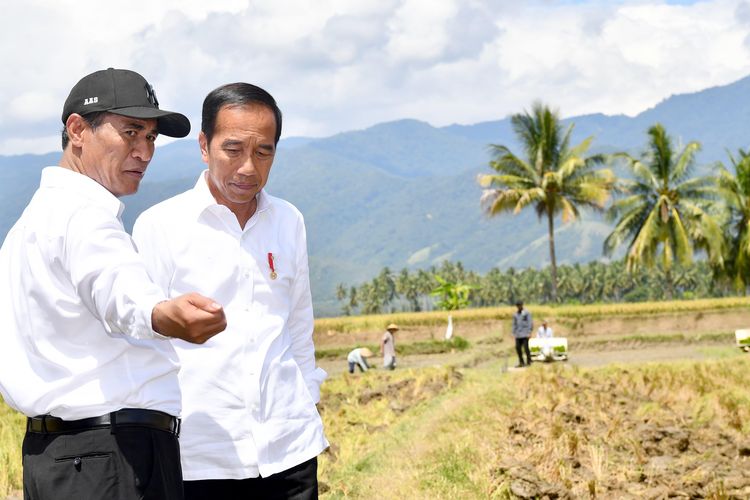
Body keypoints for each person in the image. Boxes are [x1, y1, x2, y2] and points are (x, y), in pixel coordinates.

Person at [0, 68, 228, 500]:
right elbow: (117, 289)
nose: (144, 151)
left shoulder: (28, 226)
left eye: (151, 138)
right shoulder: (84, 216)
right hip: (112, 458)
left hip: (57, 458)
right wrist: (159, 314)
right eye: (130, 132)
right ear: (77, 130)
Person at [132, 82, 328, 500]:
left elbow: (298, 324)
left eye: (264, 151)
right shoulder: (160, 226)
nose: (248, 168)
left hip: (289, 450)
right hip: (202, 457)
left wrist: (307, 398)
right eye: (233, 149)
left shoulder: (288, 221)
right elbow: (141, 336)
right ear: (204, 146)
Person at [512, 301, 533, 367]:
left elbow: (530, 322)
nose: (519, 307)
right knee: (518, 348)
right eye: (517, 306)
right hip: (518, 334)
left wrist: (529, 332)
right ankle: (521, 362)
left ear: (522, 305)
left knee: (526, 348)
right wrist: (513, 332)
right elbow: (514, 324)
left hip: (525, 333)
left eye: (519, 305)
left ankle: (529, 362)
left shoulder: (527, 313)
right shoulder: (515, 314)